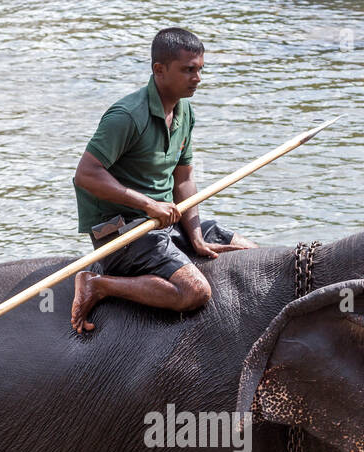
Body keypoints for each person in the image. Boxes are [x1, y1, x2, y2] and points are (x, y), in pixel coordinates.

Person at [70, 27, 257, 333]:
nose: (197, 78)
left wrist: (195, 234)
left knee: (251, 253)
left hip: (165, 221)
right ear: (159, 70)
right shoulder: (126, 116)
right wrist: (149, 205)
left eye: (199, 70)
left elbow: (184, 179)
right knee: (195, 292)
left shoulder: (185, 112)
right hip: (123, 231)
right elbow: (86, 175)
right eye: (188, 70)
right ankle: (99, 283)